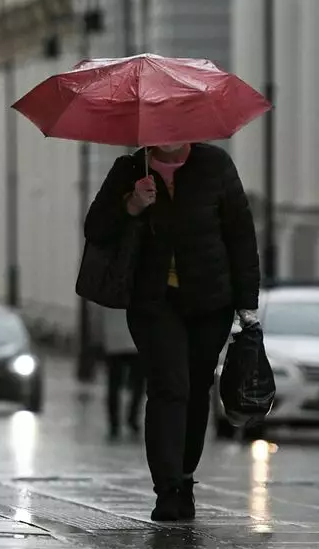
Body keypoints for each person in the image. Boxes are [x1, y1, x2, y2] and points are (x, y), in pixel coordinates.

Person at [84, 142, 260, 522]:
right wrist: (132, 205)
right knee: (169, 388)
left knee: (197, 391)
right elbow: (96, 228)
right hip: (154, 303)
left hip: (210, 302)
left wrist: (247, 303)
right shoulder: (131, 169)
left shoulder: (216, 165)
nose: (171, 133)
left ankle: (185, 478)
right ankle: (167, 490)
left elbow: (241, 236)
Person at [101, 307, 144, 438]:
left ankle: (114, 423)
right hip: (137, 339)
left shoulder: (109, 287)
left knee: (114, 384)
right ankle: (132, 418)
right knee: (138, 383)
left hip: (114, 340)